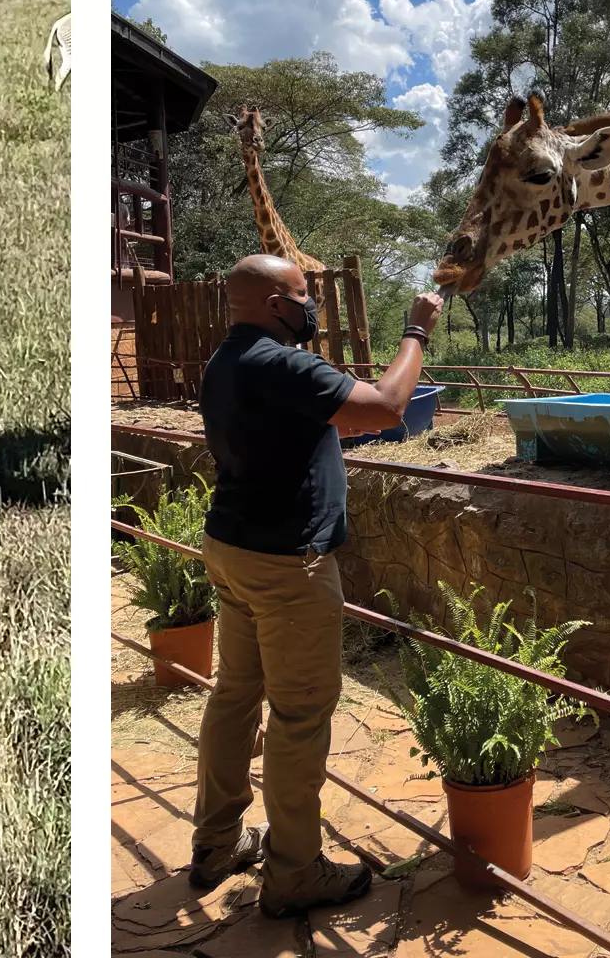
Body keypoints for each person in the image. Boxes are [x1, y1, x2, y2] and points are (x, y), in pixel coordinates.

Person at [188, 252, 444, 917]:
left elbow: (330, 412)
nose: (313, 308)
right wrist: (416, 332)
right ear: (277, 303)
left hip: (232, 547)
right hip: (286, 564)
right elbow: (389, 407)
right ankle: (296, 871)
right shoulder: (283, 365)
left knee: (235, 697)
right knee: (299, 718)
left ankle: (216, 843)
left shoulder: (226, 360)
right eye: (306, 296)